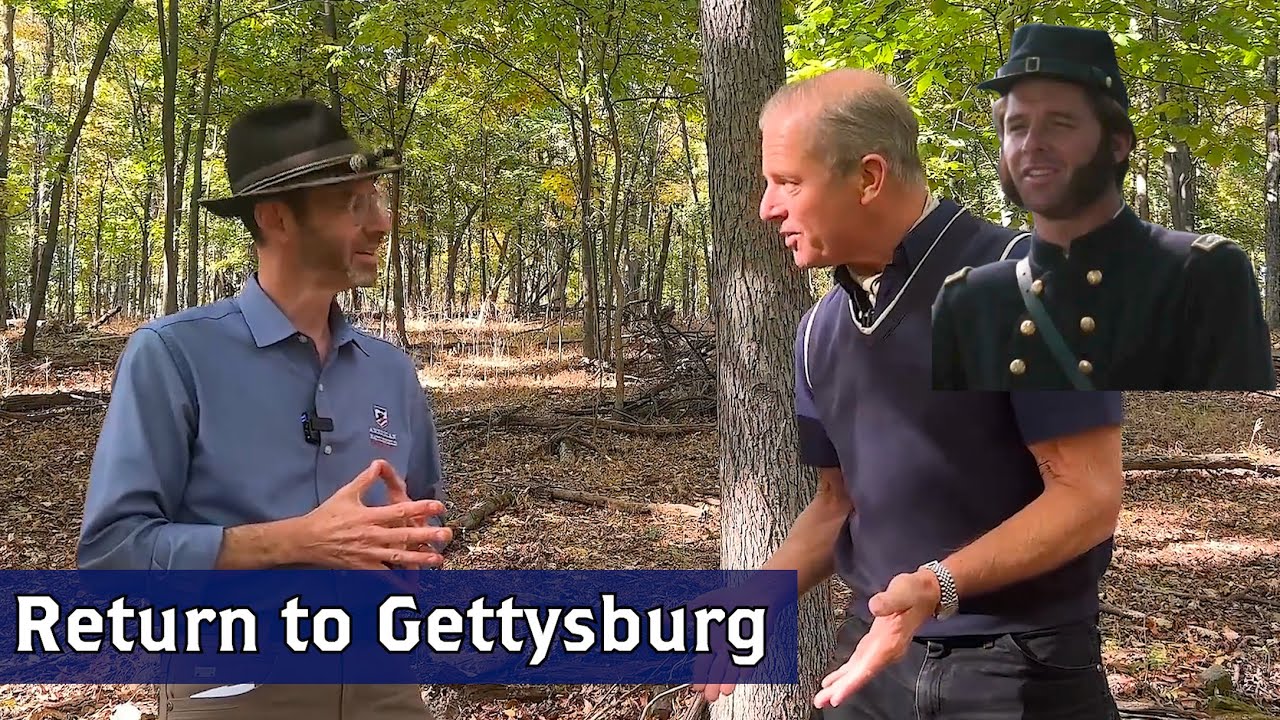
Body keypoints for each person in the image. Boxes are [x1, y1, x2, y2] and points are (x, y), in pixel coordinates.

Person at [693, 68, 1126, 719]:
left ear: (868, 177)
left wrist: (936, 587)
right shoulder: (819, 332)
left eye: (788, 182)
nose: (767, 207)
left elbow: (1088, 495)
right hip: (867, 664)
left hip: (1018, 670)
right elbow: (837, 503)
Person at [77, 99, 451, 719]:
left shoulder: (390, 370)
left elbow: (427, 518)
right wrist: (296, 541)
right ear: (276, 217)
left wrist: (418, 547)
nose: (382, 223)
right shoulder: (173, 355)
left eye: (377, 200)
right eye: (353, 204)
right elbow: (113, 555)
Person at [932, 23, 1276, 391]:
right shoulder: (968, 302)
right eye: (1016, 127)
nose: (1031, 144)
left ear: (1116, 144)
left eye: (1059, 124)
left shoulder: (1201, 275)